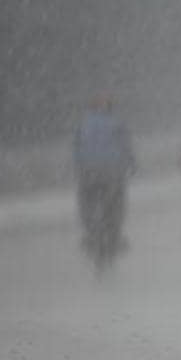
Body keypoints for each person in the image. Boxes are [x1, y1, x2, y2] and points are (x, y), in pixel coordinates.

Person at [73, 93, 136, 257]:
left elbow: (76, 148)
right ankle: (115, 231)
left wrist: (79, 167)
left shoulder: (83, 124)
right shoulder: (117, 123)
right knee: (117, 200)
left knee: (86, 201)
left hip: (88, 170)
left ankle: (89, 230)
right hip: (112, 169)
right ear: (110, 108)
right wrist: (132, 164)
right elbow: (126, 146)